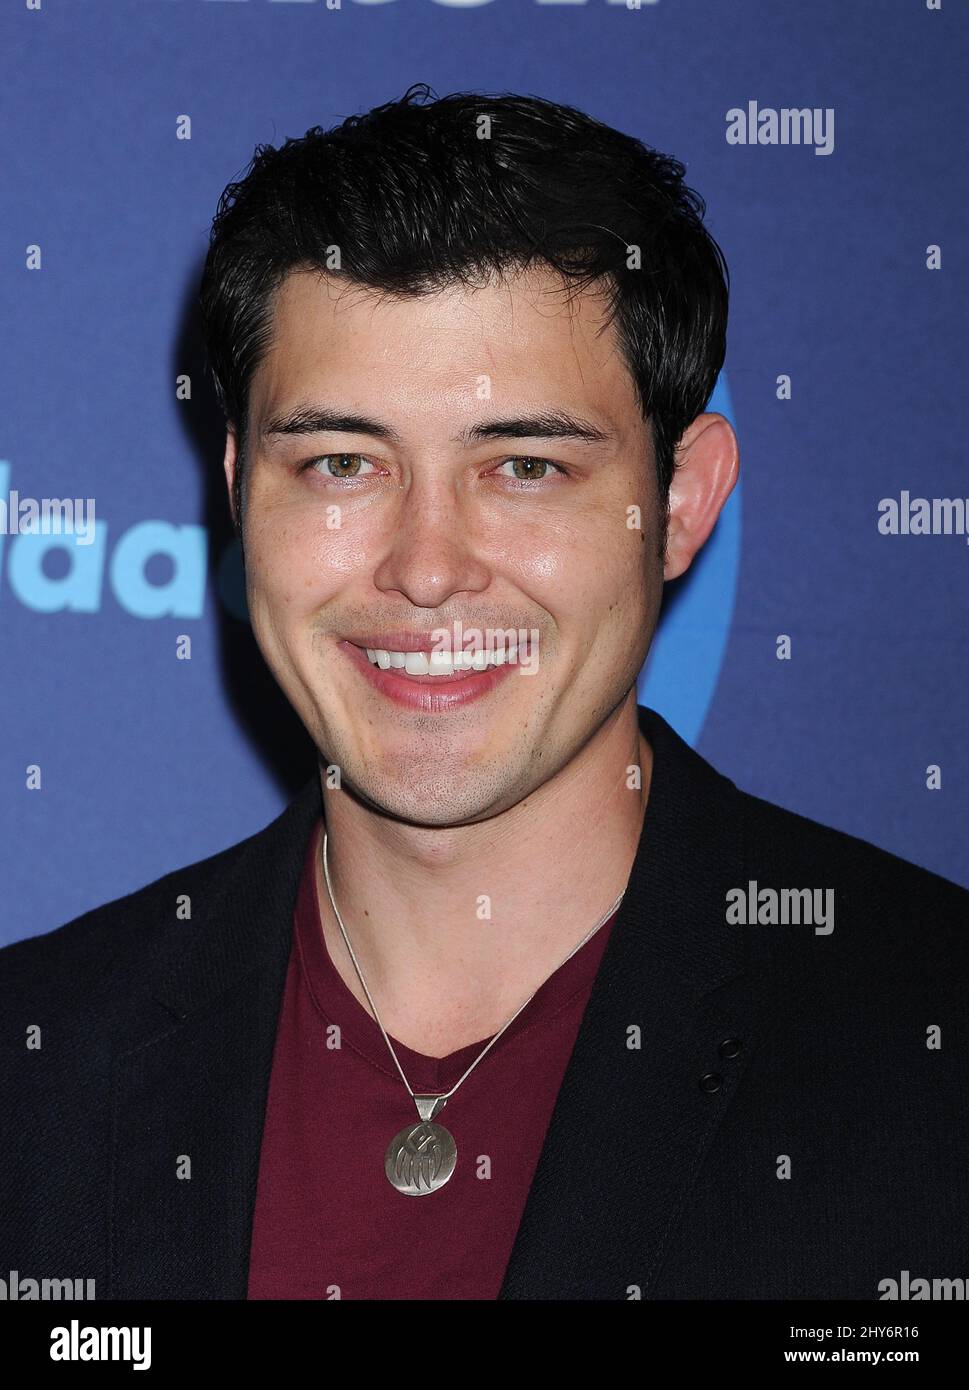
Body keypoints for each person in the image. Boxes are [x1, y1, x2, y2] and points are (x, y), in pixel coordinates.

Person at [2, 85, 967, 1302]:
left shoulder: (930, 1053)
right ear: (242, 489)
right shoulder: (37, 1070)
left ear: (680, 502)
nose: (426, 566)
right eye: (342, 462)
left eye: (525, 466)